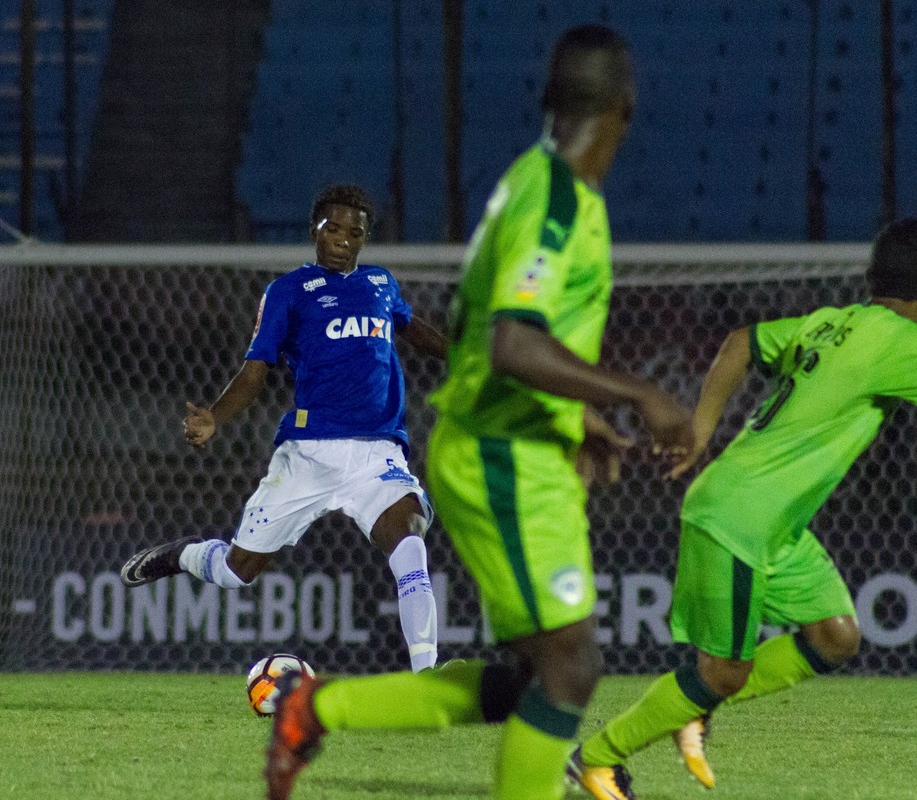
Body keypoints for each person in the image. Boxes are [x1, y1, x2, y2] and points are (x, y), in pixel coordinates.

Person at [262, 25, 693, 800]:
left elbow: (474, 327)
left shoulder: (533, 182)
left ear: (546, 100)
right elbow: (511, 343)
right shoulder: (556, 201)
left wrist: (574, 415)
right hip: (500, 452)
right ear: (627, 107)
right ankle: (318, 710)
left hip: (517, 440)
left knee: (533, 677)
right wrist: (637, 395)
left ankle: (315, 708)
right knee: (570, 666)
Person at [566, 217, 917, 799]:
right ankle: (597, 759)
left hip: (771, 522)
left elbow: (741, 341)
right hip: (741, 516)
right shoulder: (904, 343)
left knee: (836, 635)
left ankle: (697, 705)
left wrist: (701, 428)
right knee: (723, 669)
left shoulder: (829, 323)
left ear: (871, 276)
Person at [120, 183, 449, 674]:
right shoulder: (289, 291)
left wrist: (466, 357)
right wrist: (215, 416)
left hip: (377, 454)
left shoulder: (381, 284)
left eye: (353, 233)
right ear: (314, 231)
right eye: (332, 229)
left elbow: (411, 327)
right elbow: (256, 370)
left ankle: (428, 678)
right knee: (237, 572)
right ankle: (180, 555)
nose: (342, 239)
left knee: (411, 548)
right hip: (308, 454)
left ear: (364, 240)